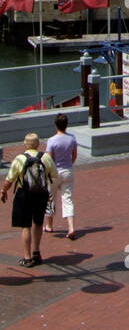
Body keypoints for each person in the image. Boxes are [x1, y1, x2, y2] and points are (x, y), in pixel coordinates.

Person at [1, 131, 59, 267]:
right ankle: (36, 252)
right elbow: (54, 174)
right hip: (41, 194)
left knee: (25, 226)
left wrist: (4, 191)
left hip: (24, 195)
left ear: (25, 144)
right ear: (38, 144)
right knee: (38, 223)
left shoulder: (20, 159)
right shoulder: (45, 157)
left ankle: (27, 257)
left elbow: (10, 179)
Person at [44, 113, 78, 239]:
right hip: (68, 170)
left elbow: (49, 159)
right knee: (67, 199)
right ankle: (71, 228)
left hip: (54, 173)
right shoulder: (72, 138)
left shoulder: (52, 140)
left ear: (55, 125)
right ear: (66, 125)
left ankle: (49, 226)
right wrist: (70, 164)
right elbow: (74, 155)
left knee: (50, 199)